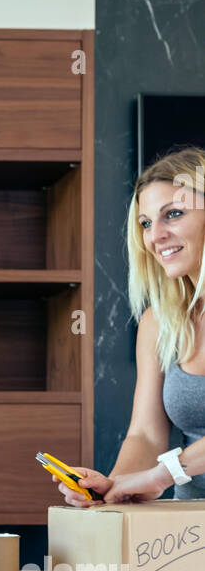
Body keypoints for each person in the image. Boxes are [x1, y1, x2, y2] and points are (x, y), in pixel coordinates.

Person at [58, 146, 205, 508]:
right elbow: (145, 434)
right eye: (145, 223)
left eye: (172, 214)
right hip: (191, 532)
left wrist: (161, 475)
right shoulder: (160, 322)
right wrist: (110, 489)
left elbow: (160, 467)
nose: (155, 236)